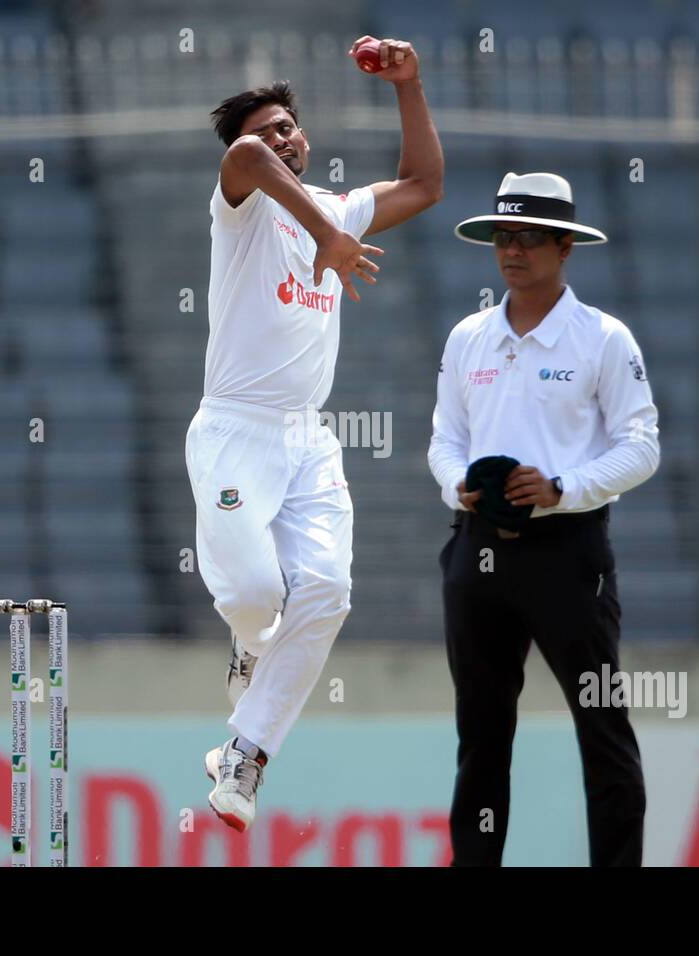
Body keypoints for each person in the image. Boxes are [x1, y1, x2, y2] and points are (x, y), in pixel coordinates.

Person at [189, 37, 443, 831]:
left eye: (291, 126)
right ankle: (248, 644)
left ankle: (244, 756)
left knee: (328, 590)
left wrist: (409, 84)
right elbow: (242, 154)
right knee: (258, 597)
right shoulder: (240, 200)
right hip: (234, 430)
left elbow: (425, 184)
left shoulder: (337, 208)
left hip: (307, 440)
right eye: (272, 128)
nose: (282, 138)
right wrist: (326, 238)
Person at [428, 171, 660, 865]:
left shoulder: (602, 338)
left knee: (602, 728)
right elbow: (444, 440)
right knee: (481, 734)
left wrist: (562, 488)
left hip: (569, 557)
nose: (513, 250)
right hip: (478, 553)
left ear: (566, 247)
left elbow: (641, 445)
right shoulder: (469, 336)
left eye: (530, 237)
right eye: (504, 235)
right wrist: (457, 485)